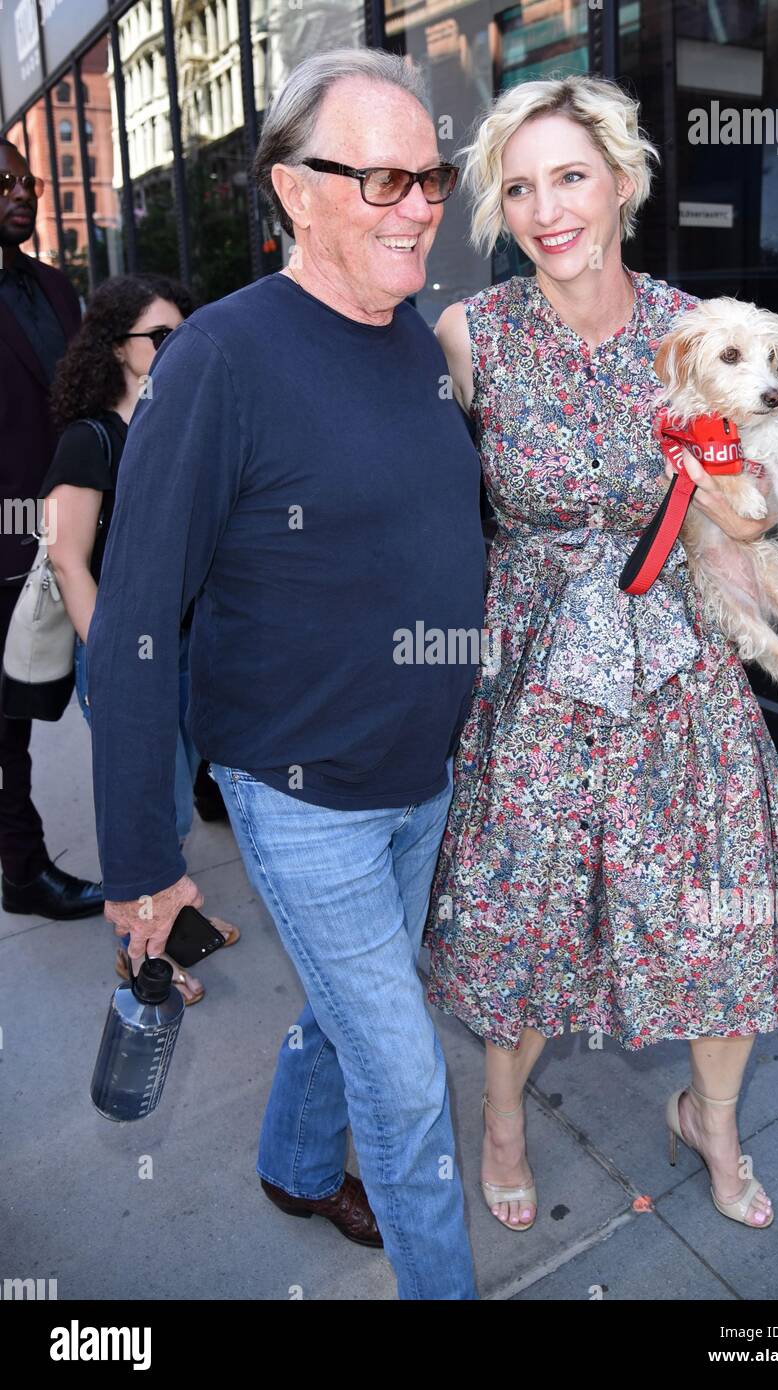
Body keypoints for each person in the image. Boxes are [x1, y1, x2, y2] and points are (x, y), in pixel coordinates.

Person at [86, 50, 485, 1299]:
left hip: (421, 774)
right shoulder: (220, 357)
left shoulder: (411, 337)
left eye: (429, 174)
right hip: (302, 796)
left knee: (346, 1001)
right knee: (407, 1077)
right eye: (379, 177)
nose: (419, 202)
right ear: (290, 191)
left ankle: (297, 1165)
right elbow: (136, 618)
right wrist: (142, 859)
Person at [424, 75, 778, 1234]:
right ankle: (502, 1120)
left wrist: (737, 496)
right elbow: (413, 493)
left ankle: (710, 1118)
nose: (545, 209)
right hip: (534, 678)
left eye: (568, 177)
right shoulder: (473, 334)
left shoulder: (691, 326)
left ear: (619, 182)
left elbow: (753, 513)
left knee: (716, 913)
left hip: (678, 660)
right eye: (518, 188)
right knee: (524, 917)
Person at [40, 273, 239, 1005]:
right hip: (128, 662)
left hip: (187, 651)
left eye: (184, 334)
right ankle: (141, 957)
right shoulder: (91, 439)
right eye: (159, 337)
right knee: (147, 811)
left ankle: (175, 922)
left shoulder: (177, 428)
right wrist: (121, 666)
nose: (174, 347)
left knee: (174, 808)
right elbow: (66, 558)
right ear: (114, 349)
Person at [0, 136, 103, 920]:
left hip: (72, 532)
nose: (19, 192)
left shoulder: (56, 286)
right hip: (6, 545)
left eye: (24, 179)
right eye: (2, 183)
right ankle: (24, 869)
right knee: (8, 728)